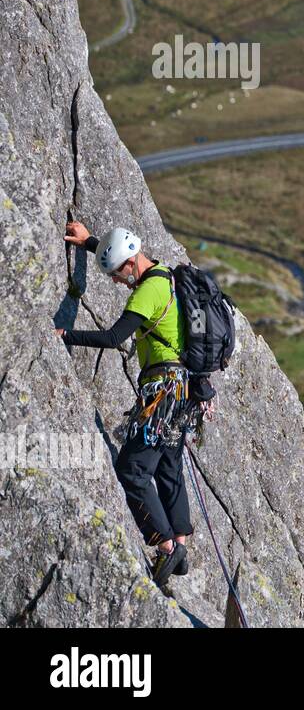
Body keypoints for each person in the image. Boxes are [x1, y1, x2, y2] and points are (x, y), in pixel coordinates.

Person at [57, 221, 197, 586]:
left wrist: (64, 334)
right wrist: (90, 243)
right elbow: (122, 257)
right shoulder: (166, 273)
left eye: (118, 275)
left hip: (162, 390)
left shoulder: (145, 294)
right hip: (182, 391)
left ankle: (166, 548)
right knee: (168, 465)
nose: (118, 283)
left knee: (133, 470)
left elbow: (113, 337)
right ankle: (179, 542)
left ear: (131, 263)